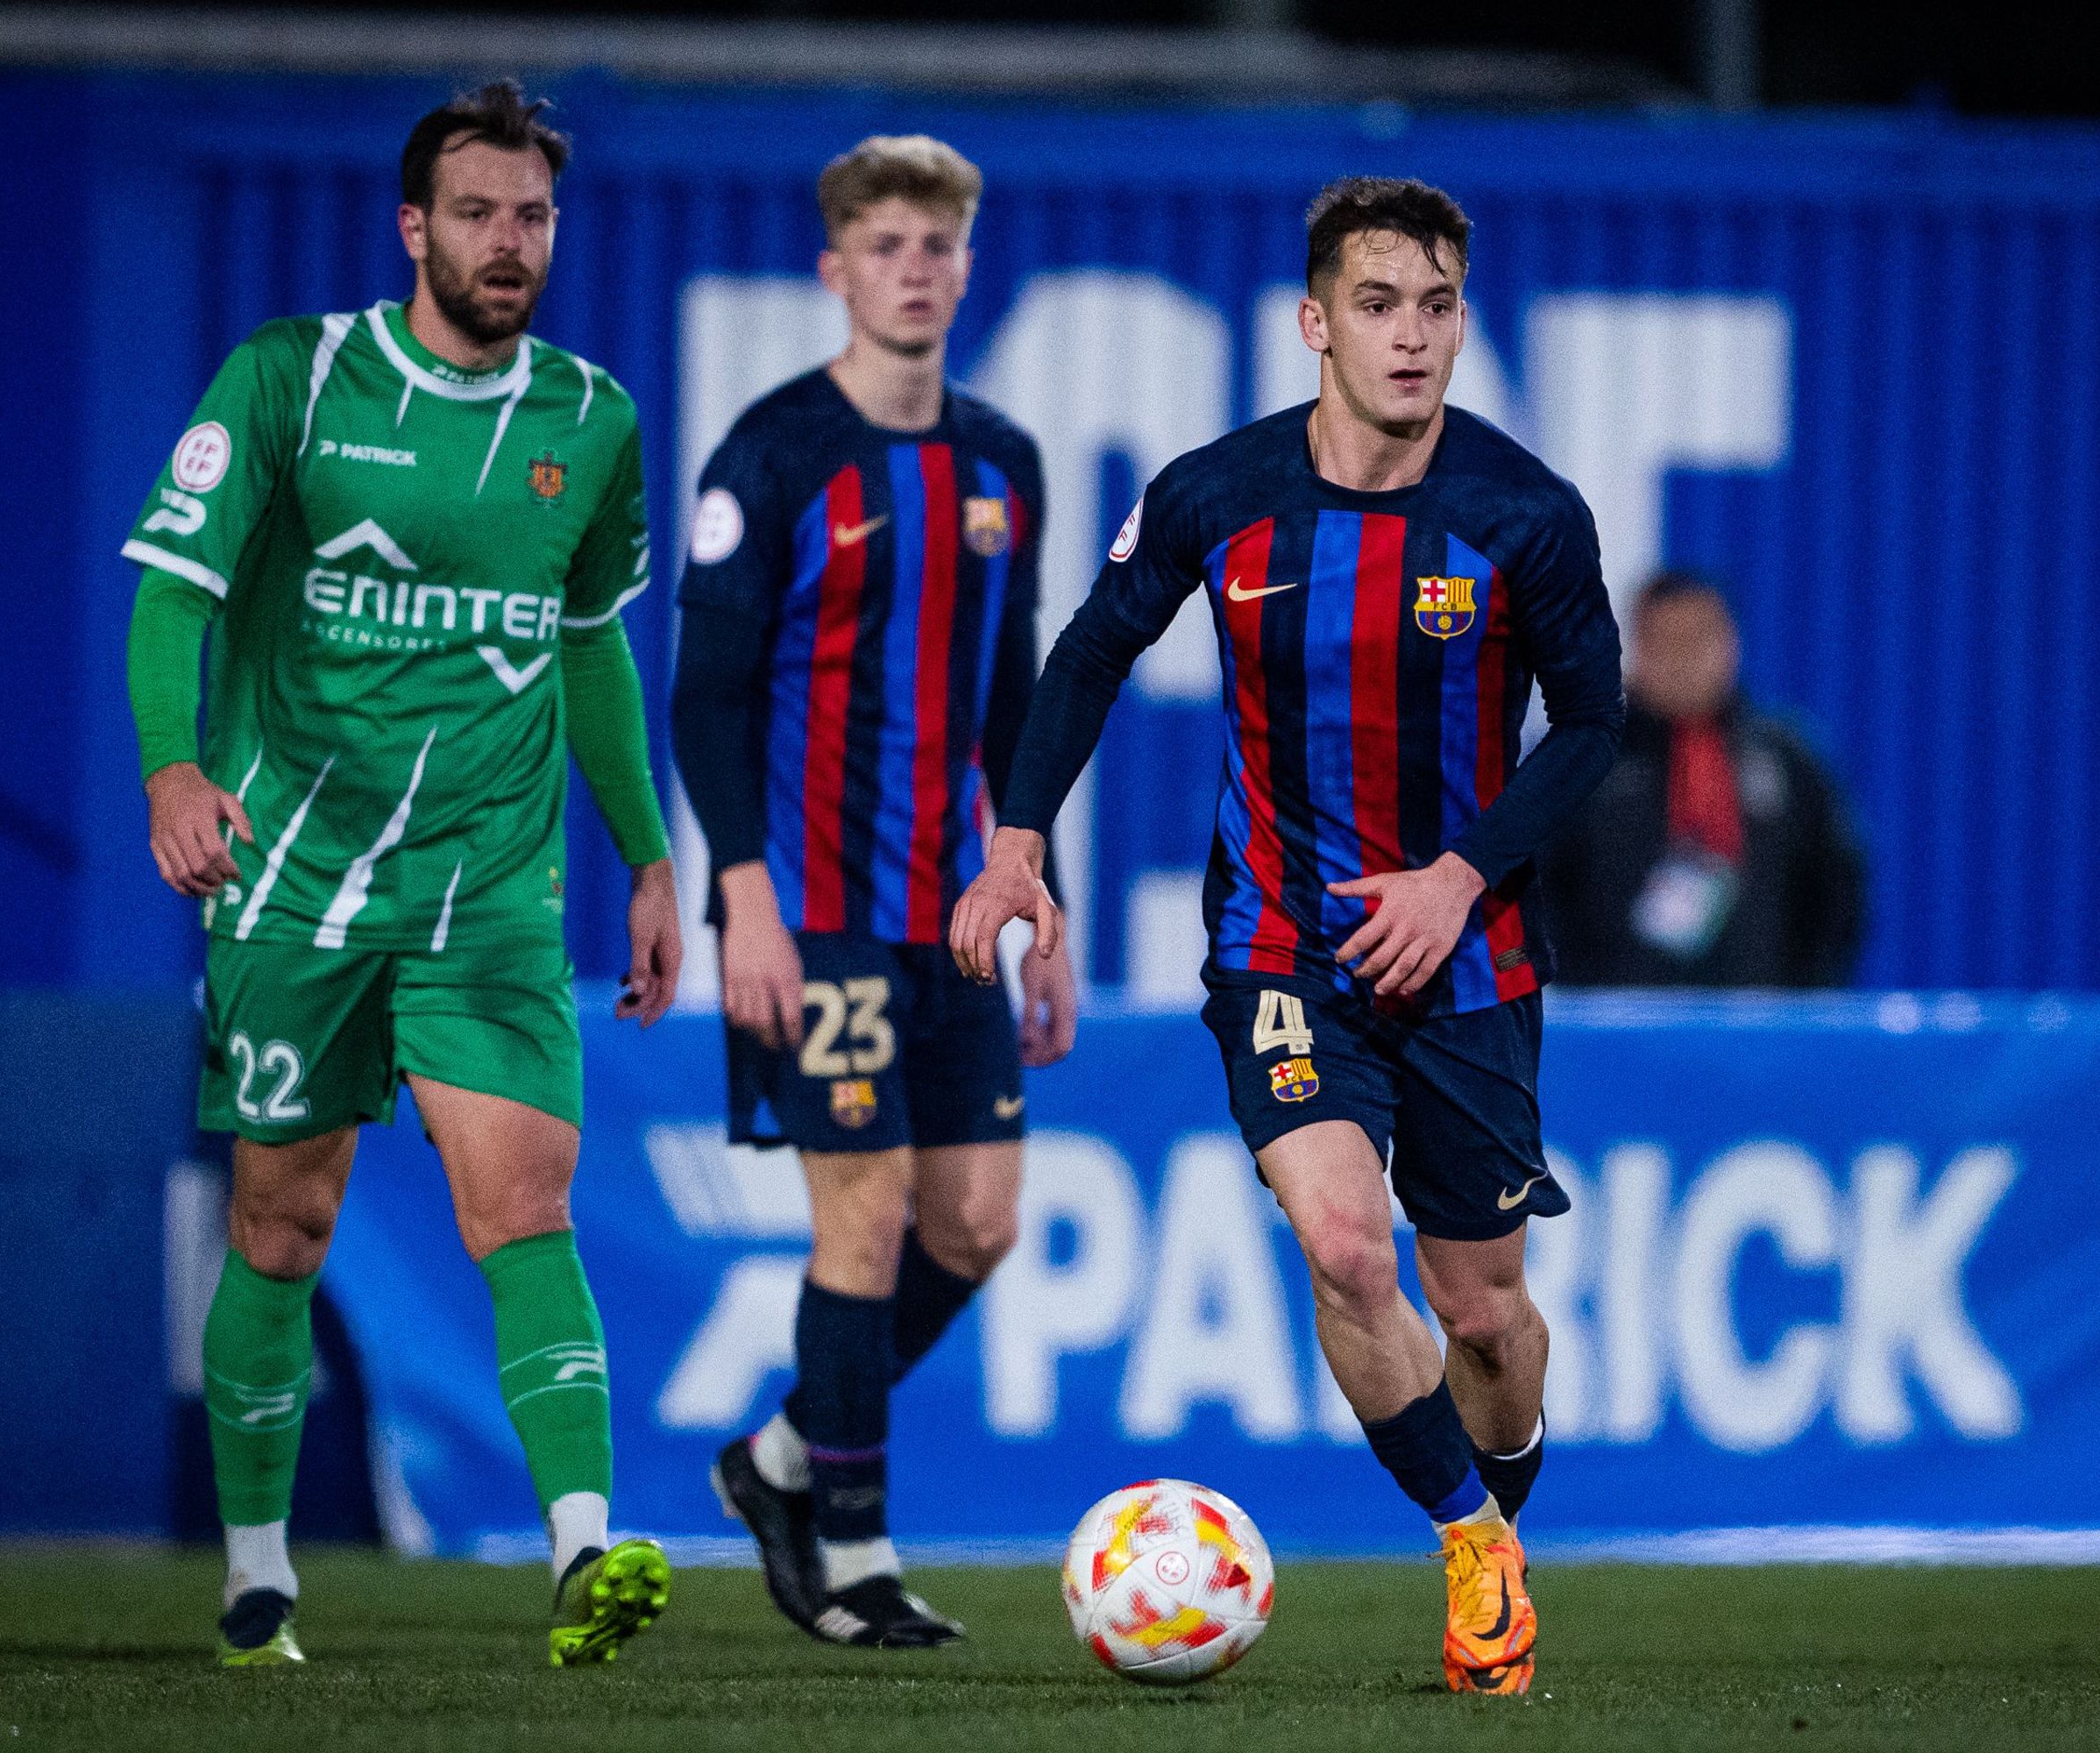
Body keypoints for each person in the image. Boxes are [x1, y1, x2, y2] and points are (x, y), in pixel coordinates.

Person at [948, 176, 1624, 1695]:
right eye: (1378, 305)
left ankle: (1497, 1520)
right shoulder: (1220, 493)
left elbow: (1591, 728)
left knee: (1490, 1322)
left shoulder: (1527, 515)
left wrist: (1458, 875)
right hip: (1283, 946)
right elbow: (1094, 649)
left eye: (1438, 306)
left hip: (1468, 967)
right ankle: (1472, 1549)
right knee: (1338, 1240)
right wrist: (1014, 846)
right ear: (1315, 323)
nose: (1412, 337)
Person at [123, 81, 680, 1669]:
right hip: (295, 879)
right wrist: (175, 768)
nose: (512, 244)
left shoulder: (593, 419)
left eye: (535, 217)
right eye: (482, 213)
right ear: (414, 227)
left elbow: (589, 647)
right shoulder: (294, 382)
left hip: (489, 894)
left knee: (526, 1203)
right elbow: (175, 592)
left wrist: (646, 854)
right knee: (283, 1227)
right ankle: (256, 1574)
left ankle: (584, 1552)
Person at [670, 135, 1075, 1650]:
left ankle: (779, 1461)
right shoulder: (773, 455)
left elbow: (1011, 694)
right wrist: (747, 898)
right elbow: (705, 698)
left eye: (936, 244)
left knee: (974, 1226)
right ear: (833, 269)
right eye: (883, 245)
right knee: (867, 1214)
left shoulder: (1003, 464)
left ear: (968, 265)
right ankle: (852, 1557)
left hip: (958, 910)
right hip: (818, 905)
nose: (913, 269)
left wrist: (1042, 895)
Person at [1535, 573, 1867, 988]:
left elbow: (1835, 894)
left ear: (1732, 644)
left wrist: (1804, 1004)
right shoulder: (1579, 760)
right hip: (1615, 1029)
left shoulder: (1788, 759)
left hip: (1761, 1027)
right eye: (1667, 641)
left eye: (1699, 639)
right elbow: (1535, 894)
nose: (1684, 659)